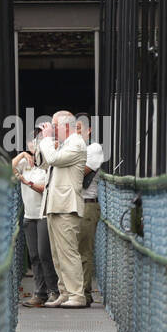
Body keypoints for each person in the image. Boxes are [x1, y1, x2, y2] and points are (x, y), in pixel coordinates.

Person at [38, 111, 87, 308]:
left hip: (67, 206)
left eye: (54, 125)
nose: (51, 129)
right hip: (56, 204)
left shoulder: (76, 143)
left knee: (68, 252)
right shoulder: (64, 145)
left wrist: (47, 140)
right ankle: (65, 293)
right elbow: (43, 164)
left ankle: (77, 294)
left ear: (66, 127)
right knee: (58, 254)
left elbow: (53, 159)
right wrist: (44, 142)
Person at [12, 147, 58, 308]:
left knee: (44, 254)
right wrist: (22, 154)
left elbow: (44, 189)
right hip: (29, 216)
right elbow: (8, 168)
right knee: (34, 256)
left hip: (44, 215)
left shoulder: (50, 165)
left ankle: (54, 291)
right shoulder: (25, 163)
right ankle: (39, 293)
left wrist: (26, 182)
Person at [74, 114, 103, 306]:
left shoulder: (94, 148)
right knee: (72, 250)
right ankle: (73, 292)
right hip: (73, 204)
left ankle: (84, 293)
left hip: (87, 204)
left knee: (83, 251)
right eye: (73, 129)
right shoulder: (74, 149)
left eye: (79, 129)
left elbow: (77, 172)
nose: (76, 133)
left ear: (88, 130)